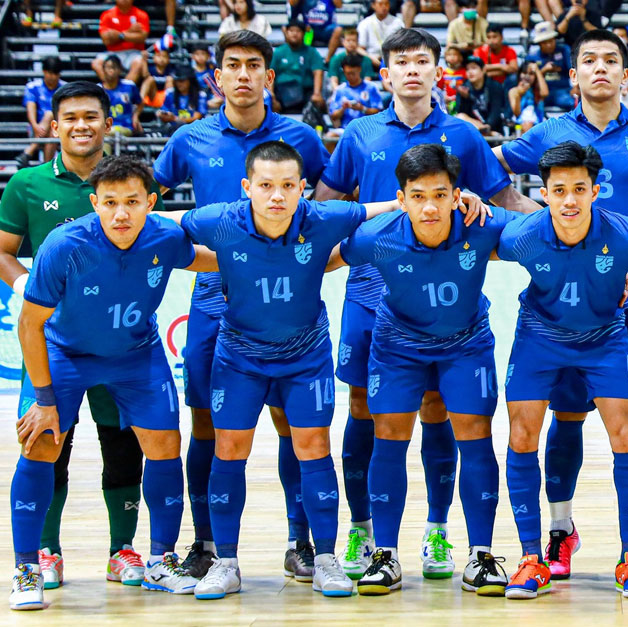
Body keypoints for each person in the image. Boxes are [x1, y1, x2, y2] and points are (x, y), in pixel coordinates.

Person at [313, 27, 541, 582]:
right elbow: (324, 208)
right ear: (384, 72)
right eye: (400, 61)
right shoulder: (359, 133)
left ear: (439, 71)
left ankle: (440, 531)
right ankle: (364, 533)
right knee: (368, 413)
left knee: (444, 411)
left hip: (447, 296)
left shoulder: (463, 135)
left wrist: (570, 241)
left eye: (422, 61)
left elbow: (505, 202)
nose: (411, 70)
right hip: (373, 294)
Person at [495, 29, 628, 580]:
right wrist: (527, 219)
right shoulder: (547, 134)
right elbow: (485, 168)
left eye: (612, 60)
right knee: (565, 417)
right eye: (590, 60)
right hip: (566, 307)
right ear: (574, 73)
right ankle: (559, 532)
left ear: (627, 74)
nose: (601, 68)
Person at [169, 141, 395, 600]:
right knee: (229, 449)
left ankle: (326, 558)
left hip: (305, 356)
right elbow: (164, 222)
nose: (277, 196)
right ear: (246, 187)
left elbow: (386, 206)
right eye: (266, 186)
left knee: (313, 448)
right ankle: (227, 563)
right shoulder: (219, 220)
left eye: (288, 186)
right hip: (239, 356)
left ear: (303, 189)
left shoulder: (324, 217)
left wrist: (460, 198)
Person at [153, 29, 331, 583]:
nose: (245, 75)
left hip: (289, 308)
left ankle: (300, 542)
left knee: (291, 425)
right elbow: (149, 202)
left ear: (270, 77)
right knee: (209, 425)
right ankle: (207, 545)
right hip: (214, 303)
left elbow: (327, 201)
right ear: (218, 77)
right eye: (234, 65)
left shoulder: (301, 137)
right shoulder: (189, 139)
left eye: (256, 65)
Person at [6, 155, 219, 611]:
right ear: (94, 203)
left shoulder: (166, 236)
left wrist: (263, 261)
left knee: (165, 444)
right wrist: (43, 399)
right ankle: (27, 567)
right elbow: (29, 324)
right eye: (109, 203)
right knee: (41, 441)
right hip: (65, 352)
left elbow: (206, 260)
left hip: (135, 355)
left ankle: (162, 559)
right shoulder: (64, 244)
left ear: (151, 203)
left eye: (131, 202)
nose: (121, 214)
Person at [326, 143, 511, 596]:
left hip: (465, 344)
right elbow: (319, 260)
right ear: (402, 197)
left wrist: (613, 271)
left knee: (476, 438)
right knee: (388, 438)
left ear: (456, 194)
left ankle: (480, 553)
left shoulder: (483, 224)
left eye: (440, 194)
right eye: (418, 195)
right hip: (398, 346)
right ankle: (385, 555)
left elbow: (548, 233)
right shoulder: (376, 235)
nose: (430, 206)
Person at [0, 81, 154, 595]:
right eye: (70, 118)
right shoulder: (26, 184)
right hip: (54, 340)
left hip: (119, 342)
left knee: (122, 443)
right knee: (46, 441)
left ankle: (122, 551)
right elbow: (3, 249)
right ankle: (43, 554)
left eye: (92, 116)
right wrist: (24, 283)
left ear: (109, 123)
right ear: (53, 125)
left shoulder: (127, 184)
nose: (81, 125)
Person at [495, 141, 628, 600]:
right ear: (544, 193)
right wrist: (467, 199)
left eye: (579, 189)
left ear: (595, 190)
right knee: (522, 435)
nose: (570, 200)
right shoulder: (521, 235)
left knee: (626, 434)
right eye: (559, 190)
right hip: (540, 336)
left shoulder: (627, 235)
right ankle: (531, 557)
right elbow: (468, 236)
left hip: (604, 337)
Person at [270, 20, 326, 114]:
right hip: (282, 91)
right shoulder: (278, 52)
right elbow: (269, 75)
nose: (294, 34)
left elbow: (318, 72)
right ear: (286, 33)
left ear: (303, 34)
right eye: (291, 31)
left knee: (317, 102)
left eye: (298, 31)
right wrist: (272, 96)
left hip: (304, 91)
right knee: (267, 101)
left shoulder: (312, 52)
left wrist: (317, 94)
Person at [16, 56, 61, 170]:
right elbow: (30, 107)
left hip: (58, 130)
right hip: (36, 129)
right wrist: (35, 126)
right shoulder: (33, 87)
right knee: (49, 116)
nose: (53, 77)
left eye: (56, 74)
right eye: (50, 73)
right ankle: (46, 167)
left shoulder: (65, 88)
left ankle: (29, 151)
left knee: (52, 124)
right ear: (44, 72)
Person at [90, 0, 149, 83]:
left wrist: (118, 35)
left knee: (139, 63)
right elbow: (106, 40)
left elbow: (141, 38)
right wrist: (129, 31)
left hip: (134, 53)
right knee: (96, 63)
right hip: (112, 52)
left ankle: (124, 90)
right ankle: (110, 88)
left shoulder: (141, 15)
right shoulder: (107, 15)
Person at [527, 22, 575, 109]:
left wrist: (576, 88)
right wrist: (543, 70)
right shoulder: (532, 57)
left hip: (563, 91)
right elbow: (528, 81)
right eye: (545, 43)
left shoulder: (564, 50)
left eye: (551, 41)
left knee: (573, 102)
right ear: (539, 43)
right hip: (541, 94)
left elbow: (575, 71)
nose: (549, 45)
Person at [328, 54, 384, 129]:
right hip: (345, 129)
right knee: (330, 136)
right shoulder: (340, 90)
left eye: (353, 73)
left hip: (368, 129)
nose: (350, 76)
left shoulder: (371, 87)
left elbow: (379, 112)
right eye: (348, 73)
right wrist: (343, 108)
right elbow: (333, 116)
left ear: (359, 69)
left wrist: (362, 109)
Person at [458, 55, 507, 134]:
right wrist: (465, 99)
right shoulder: (464, 88)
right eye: (467, 69)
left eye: (474, 68)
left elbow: (496, 111)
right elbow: (461, 113)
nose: (470, 72)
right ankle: (487, 133)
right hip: (474, 130)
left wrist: (489, 125)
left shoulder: (494, 86)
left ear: (483, 70)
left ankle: (487, 132)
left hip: (493, 128)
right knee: (460, 116)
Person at [98, 55, 143, 137]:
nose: (111, 70)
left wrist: (135, 116)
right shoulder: (97, 89)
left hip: (125, 126)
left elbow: (140, 103)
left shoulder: (129, 86)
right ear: (103, 70)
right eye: (108, 67)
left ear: (119, 70)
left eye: (114, 67)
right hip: (104, 128)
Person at [359, 0, 402, 69]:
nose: (384, 7)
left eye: (386, 4)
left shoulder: (398, 23)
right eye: (380, 4)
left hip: (391, 56)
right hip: (371, 57)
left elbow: (402, 45)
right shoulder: (365, 23)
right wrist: (370, 57)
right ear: (373, 5)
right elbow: (360, 48)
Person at [510, 61, 549, 133]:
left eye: (531, 74)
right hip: (520, 125)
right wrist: (519, 95)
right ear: (519, 74)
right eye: (524, 73)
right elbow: (517, 113)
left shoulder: (538, 90)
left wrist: (537, 71)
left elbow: (545, 93)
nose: (527, 76)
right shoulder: (513, 91)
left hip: (538, 124)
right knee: (527, 126)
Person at [140, 43, 175, 108]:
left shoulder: (171, 70)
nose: (161, 59)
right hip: (152, 95)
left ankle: (169, 107)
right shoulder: (150, 68)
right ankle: (139, 103)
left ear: (168, 59)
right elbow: (145, 75)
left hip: (165, 97)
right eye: (159, 56)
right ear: (153, 58)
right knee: (149, 79)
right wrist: (144, 60)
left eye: (164, 56)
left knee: (170, 79)